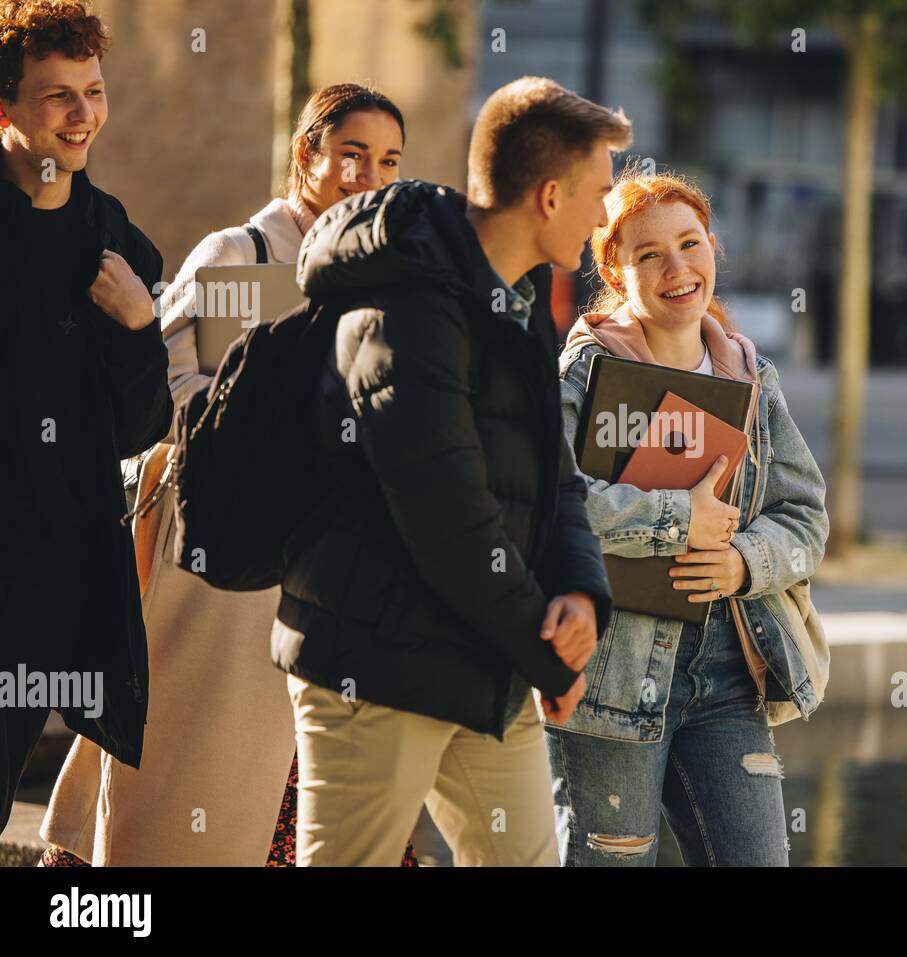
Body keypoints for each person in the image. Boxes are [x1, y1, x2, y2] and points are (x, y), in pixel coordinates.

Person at [39, 82, 410, 866]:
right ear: (306, 152)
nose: (367, 175)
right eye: (351, 154)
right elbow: (159, 397)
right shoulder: (238, 255)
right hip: (217, 568)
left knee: (303, 799)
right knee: (190, 779)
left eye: (387, 161)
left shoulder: (385, 287)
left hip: (328, 578)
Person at [272, 76, 623, 866]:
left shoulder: (524, 294)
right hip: (379, 660)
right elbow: (449, 519)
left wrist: (579, 590)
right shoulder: (406, 307)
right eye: (599, 193)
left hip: (484, 656)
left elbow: (553, 469)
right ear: (548, 194)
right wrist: (543, 654)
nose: (604, 215)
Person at [548, 168, 829, 866]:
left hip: (728, 680)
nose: (677, 267)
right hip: (612, 678)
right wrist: (678, 519)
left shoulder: (749, 375)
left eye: (690, 243)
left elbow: (806, 516)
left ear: (712, 247)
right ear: (614, 271)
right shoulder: (585, 374)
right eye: (648, 254)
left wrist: (741, 561)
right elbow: (544, 499)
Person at [0, 0, 171, 832]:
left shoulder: (120, 249)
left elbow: (143, 428)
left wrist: (141, 327)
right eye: (56, 95)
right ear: (6, 107)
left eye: (93, 91)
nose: (81, 114)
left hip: (51, 582)